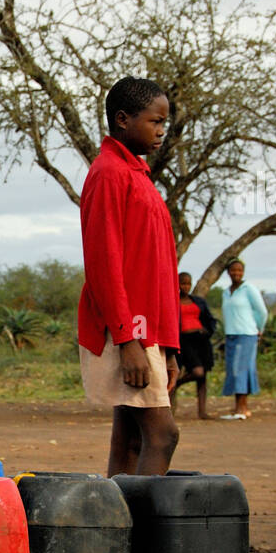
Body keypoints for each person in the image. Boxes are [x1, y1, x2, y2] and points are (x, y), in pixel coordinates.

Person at [77, 77, 180, 476]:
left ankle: (116, 534)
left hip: (146, 332)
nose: (160, 131)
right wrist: (127, 340)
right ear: (123, 119)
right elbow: (103, 262)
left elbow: (157, 272)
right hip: (126, 331)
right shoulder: (109, 173)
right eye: (155, 121)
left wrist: (168, 346)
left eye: (164, 123)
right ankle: (142, 536)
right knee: (162, 436)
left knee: (130, 438)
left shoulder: (138, 177)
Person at [219, 259, 268, 419]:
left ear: (243, 272)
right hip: (231, 334)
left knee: (241, 369)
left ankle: (243, 406)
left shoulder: (249, 289)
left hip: (247, 333)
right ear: (228, 272)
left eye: (239, 270)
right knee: (233, 369)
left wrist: (259, 328)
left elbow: (262, 311)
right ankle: (238, 406)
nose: (236, 273)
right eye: (233, 270)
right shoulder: (226, 292)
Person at [170, 272, 216, 419]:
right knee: (197, 372)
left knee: (202, 379)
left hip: (201, 341)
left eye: (188, 283)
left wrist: (207, 330)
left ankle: (202, 411)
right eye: (183, 283)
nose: (186, 286)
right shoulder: (173, 302)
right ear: (177, 284)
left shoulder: (198, 301)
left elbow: (209, 319)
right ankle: (176, 384)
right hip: (184, 341)